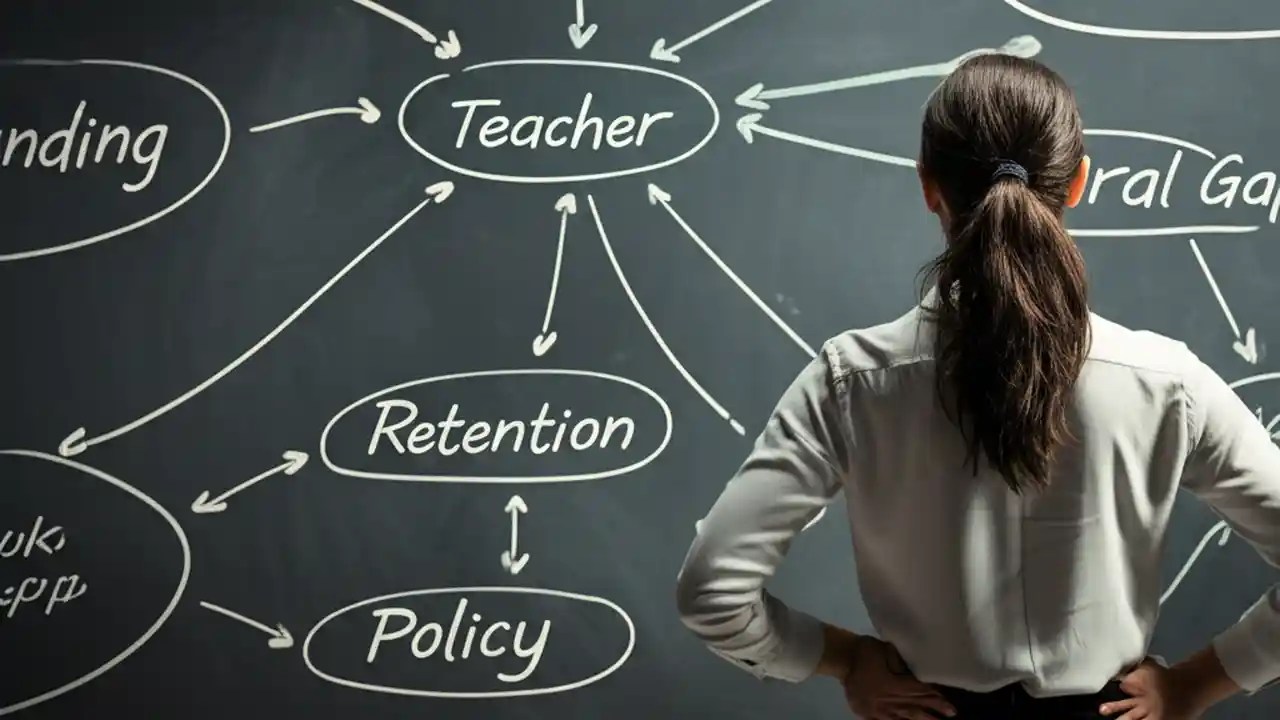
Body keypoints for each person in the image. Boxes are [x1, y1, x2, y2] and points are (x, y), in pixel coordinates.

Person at [674, 53, 1280, 720]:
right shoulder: (1170, 384)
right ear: (1078, 183)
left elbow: (710, 591)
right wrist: (1197, 683)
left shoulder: (850, 381)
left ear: (929, 185)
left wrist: (843, 658)